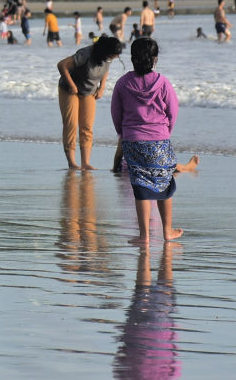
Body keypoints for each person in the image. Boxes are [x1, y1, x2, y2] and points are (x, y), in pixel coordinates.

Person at [111, 37, 190, 245]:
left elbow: (115, 113)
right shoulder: (162, 82)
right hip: (159, 139)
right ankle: (167, 231)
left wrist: (124, 133)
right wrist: (166, 132)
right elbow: (173, 110)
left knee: (140, 186)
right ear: (155, 59)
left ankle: (144, 236)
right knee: (164, 184)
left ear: (132, 58)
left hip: (132, 140)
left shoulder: (122, 83)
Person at [56, 35, 124, 170]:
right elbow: (62, 65)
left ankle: (86, 163)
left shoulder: (108, 57)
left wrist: (102, 87)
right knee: (71, 124)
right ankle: (72, 163)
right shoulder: (86, 54)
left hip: (88, 92)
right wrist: (72, 85)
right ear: (105, 51)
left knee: (87, 127)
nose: (115, 58)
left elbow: (105, 69)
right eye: (114, 55)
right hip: (70, 90)